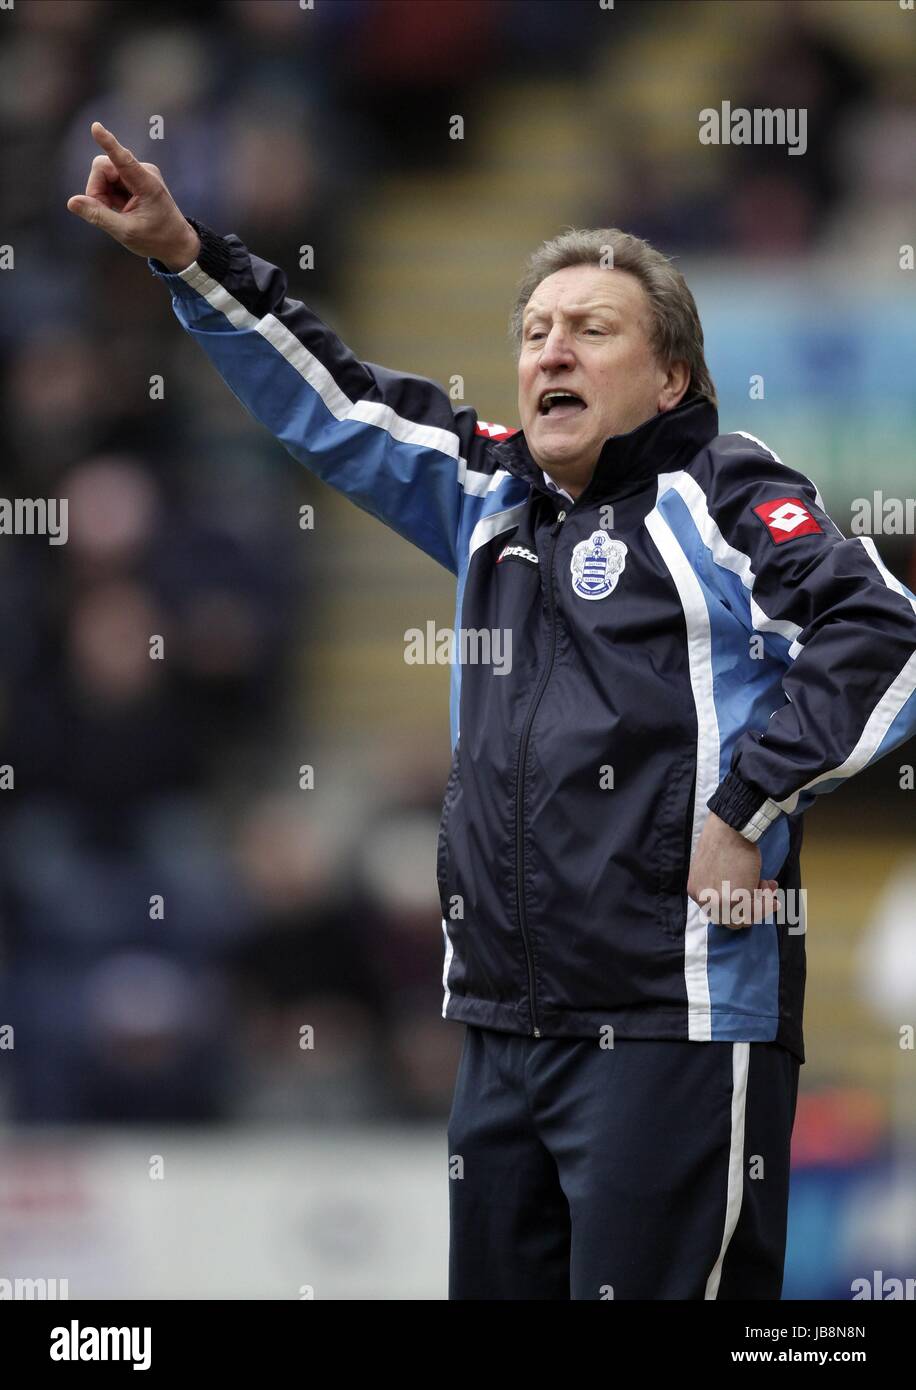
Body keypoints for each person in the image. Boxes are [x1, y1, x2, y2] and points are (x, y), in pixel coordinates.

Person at [68, 122, 916, 1300]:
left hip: (673, 1025)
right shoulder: (490, 495)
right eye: (532, 332)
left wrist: (742, 804)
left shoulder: (724, 488)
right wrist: (187, 256)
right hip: (502, 1030)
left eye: (589, 327)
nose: (549, 349)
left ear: (671, 376)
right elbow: (338, 402)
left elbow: (882, 635)